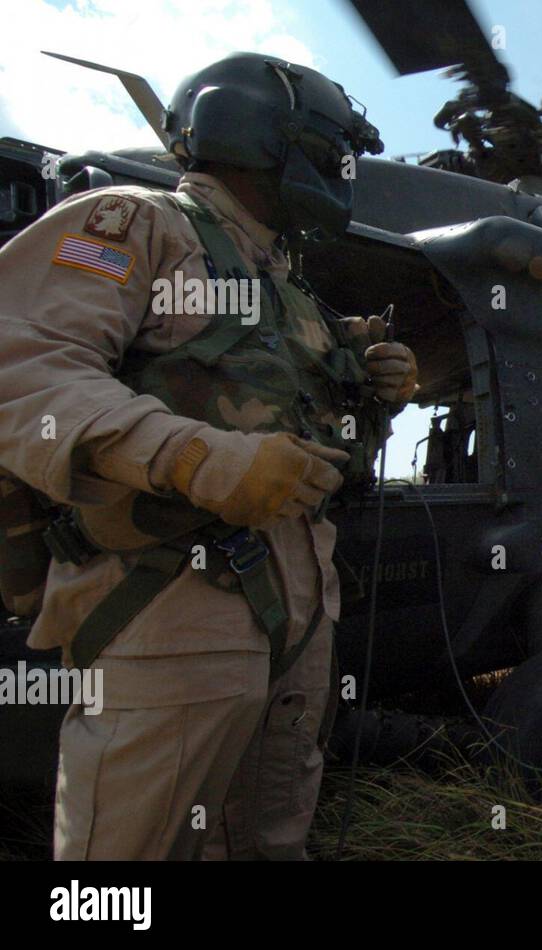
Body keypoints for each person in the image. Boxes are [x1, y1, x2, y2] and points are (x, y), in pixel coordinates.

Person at [0, 52, 415, 859]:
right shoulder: (135, 222)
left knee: (267, 838)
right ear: (262, 135)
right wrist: (195, 458)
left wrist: (370, 386)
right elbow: (24, 368)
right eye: (331, 150)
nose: (339, 171)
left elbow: (318, 435)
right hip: (168, 607)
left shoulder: (289, 290)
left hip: (297, 616)